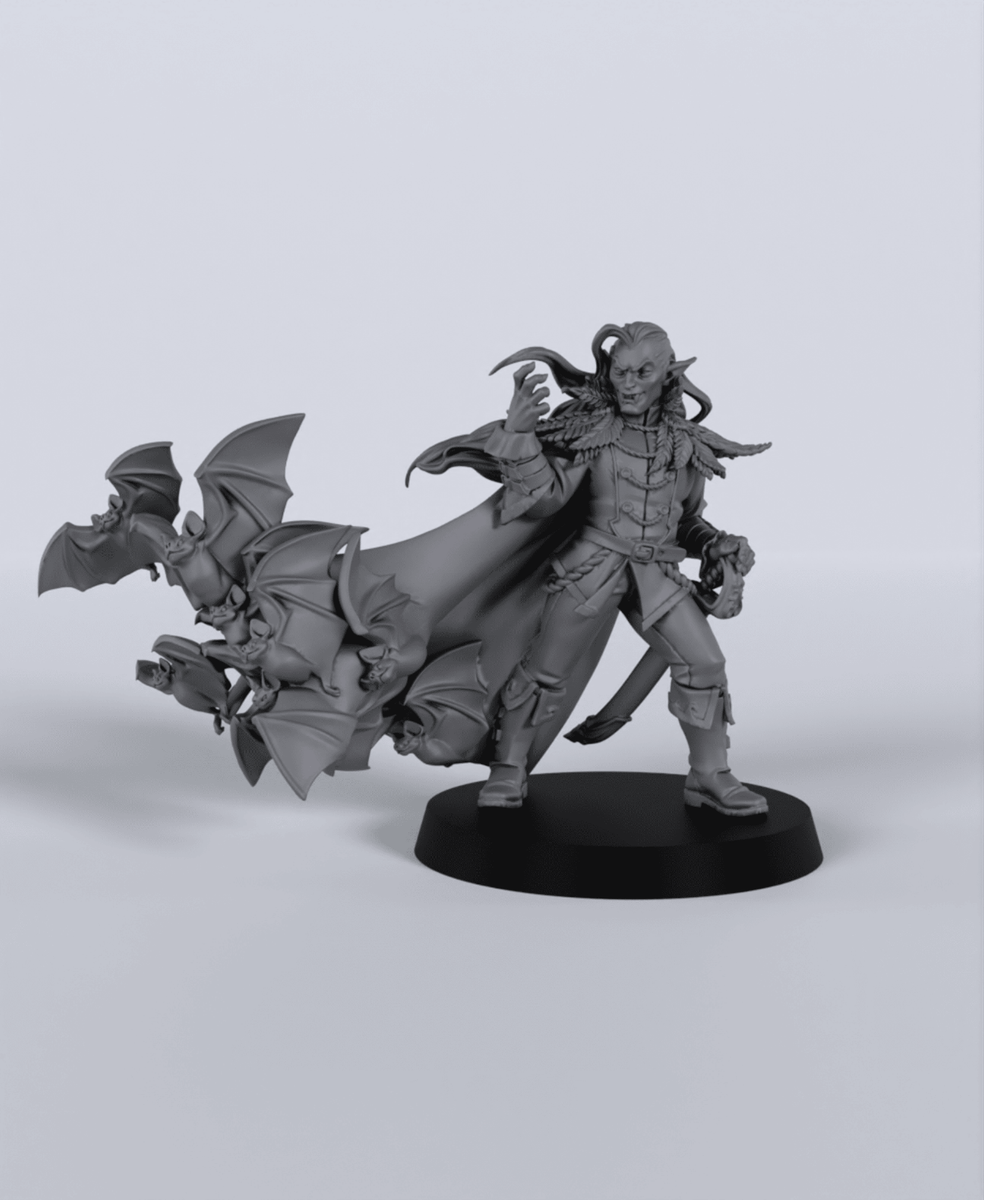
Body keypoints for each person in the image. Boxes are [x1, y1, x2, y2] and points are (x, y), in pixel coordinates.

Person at [474, 321, 770, 815]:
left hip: (658, 577)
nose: (629, 384)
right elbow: (545, 499)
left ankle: (709, 774)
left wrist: (716, 545)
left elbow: (685, 522)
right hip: (591, 570)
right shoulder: (595, 433)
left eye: (642, 372)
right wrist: (518, 434)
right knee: (545, 671)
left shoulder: (684, 445)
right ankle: (508, 767)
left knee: (704, 664)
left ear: (667, 375)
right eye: (620, 372)